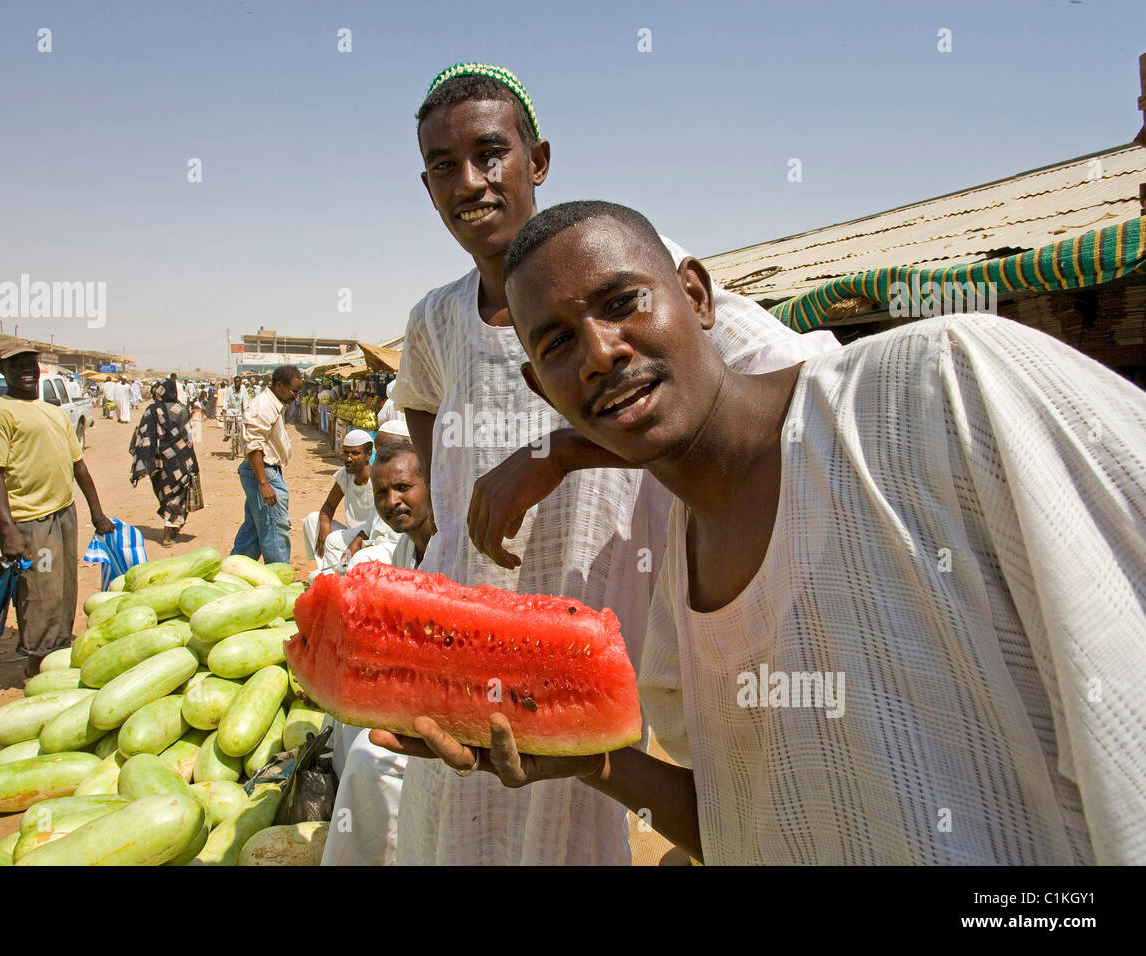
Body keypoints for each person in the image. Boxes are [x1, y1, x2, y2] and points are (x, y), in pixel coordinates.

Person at [381, 199, 1146, 865]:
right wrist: (586, 759)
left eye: (623, 302)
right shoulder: (672, 603)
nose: (601, 352)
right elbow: (750, 831)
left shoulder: (946, 387)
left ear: (697, 295)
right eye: (556, 345)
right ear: (537, 388)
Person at [388, 63, 839, 865]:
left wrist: (558, 452)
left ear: (539, 161)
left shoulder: (623, 262)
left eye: (491, 154)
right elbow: (418, 398)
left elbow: (776, 385)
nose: (470, 182)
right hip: (461, 633)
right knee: (448, 825)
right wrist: (437, 509)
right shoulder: (434, 317)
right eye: (443, 166)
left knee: (563, 824)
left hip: (588, 619)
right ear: (426, 188)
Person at [322, 442, 435, 866]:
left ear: (431, 483)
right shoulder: (406, 547)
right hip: (411, 687)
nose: (393, 502)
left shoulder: (452, 547)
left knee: (368, 762)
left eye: (404, 487)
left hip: (441, 708)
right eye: (383, 494)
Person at [0, 340, 115, 677]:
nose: (26, 370)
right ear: (2, 370)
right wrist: (7, 528)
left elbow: (78, 466)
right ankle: (37, 665)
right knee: (40, 593)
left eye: (30, 364)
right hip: (29, 520)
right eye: (16, 365)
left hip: (63, 513)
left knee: (64, 588)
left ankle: (58, 648)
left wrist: (97, 513)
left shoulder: (53, 412)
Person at [231, 365, 302, 565]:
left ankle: (236, 569)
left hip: (266, 471)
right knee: (275, 527)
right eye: (293, 391)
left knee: (254, 528)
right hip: (263, 471)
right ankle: (278, 575)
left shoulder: (273, 405)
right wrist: (264, 483)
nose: (295, 397)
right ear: (279, 385)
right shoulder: (263, 406)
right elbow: (254, 446)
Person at [130, 378, 202, 547]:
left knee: (166, 495)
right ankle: (168, 534)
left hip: (158, 463)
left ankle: (173, 527)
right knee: (177, 496)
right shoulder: (181, 410)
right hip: (181, 461)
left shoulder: (151, 410)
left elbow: (141, 435)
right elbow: (188, 438)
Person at [301, 430, 374, 576]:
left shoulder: (378, 479)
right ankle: (328, 570)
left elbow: (374, 526)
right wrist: (325, 528)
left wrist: (352, 543)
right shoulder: (345, 474)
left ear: (368, 455)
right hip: (350, 535)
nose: (348, 458)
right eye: (345, 453)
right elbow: (328, 507)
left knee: (334, 541)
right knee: (313, 519)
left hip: (369, 537)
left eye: (355, 453)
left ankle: (338, 573)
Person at [345, 420, 414, 570]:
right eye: (379, 450)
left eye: (386, 451)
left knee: (360, 559)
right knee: (333, 541)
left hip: (396, 545)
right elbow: (371, 521)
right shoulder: (381, 477)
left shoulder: (413, 476)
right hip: (375, 541)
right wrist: (356, 542)